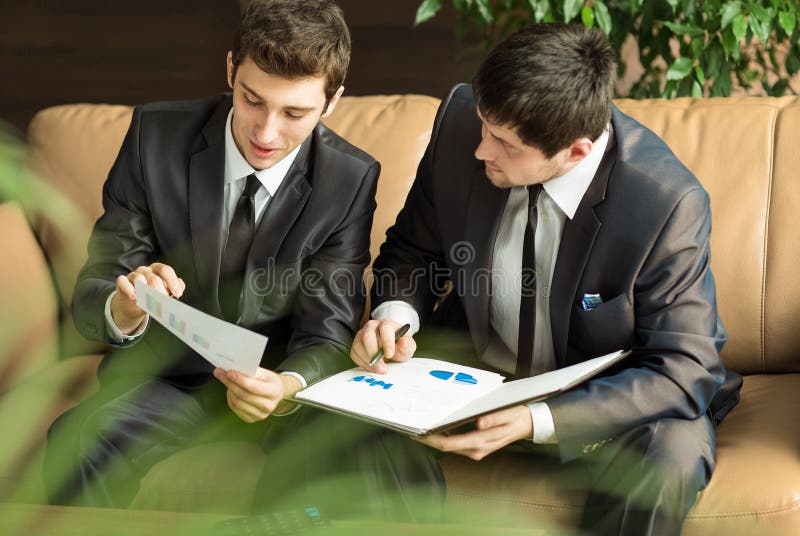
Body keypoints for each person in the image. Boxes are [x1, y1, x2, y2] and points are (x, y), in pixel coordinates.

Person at [44, 0, 439, 519]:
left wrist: (287, 386)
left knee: (356, 465)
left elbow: (328, 330)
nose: (266, 133)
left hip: (281, 382)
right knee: (75, 443)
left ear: (333, 101)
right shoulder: (153, 136)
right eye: (253, 100)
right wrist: (126, 308)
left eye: (295, 113)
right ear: (231, 69)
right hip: (168, 379)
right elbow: (97, 284)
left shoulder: (350, 178)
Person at [351, 23, 742, 535]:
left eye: (505, 144)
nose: (481, 151)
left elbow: (685, 364)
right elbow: (412, 252)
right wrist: (394, 319)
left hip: (598, 403)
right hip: (467, 379)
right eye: (484, 127)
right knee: (351, 422)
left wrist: (538, 419)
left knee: (671, 453)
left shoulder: (664, 203)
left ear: (577, 151)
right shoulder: (461, 125)